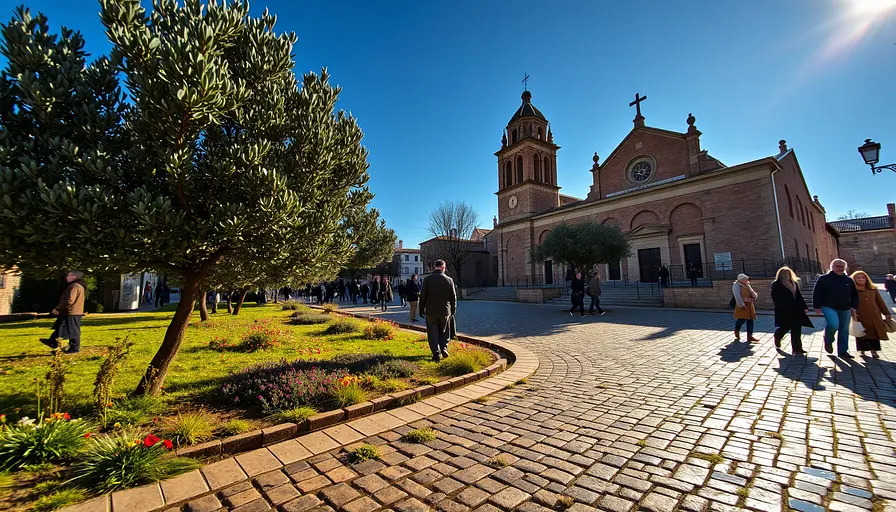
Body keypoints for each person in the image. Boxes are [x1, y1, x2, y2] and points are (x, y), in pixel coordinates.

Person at [813, 259, 859, 358]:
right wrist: (816, 306)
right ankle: (828, 340)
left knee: (844, 329)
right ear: (832, 267)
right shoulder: (824, 278)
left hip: (845, 308)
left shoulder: (848, 280)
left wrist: (854, 306)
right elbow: (817, 292)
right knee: (833, 324)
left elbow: (855, 295)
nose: (840, 268)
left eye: (842, 267)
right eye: (837, 266)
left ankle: (843, 351)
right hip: (828, 306)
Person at [40, 271, 88, 354]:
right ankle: (53, 341)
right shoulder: (78, 286)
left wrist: (58, 309)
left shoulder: (75, 286)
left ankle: (74, 348)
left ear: (74, 277)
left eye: (69, 276)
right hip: (72, 312)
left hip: (72, 312)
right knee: (61, 326)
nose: (67, 277)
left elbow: (69, 300)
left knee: (73, 330)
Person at [419, 260, 456, 362]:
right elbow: (453, 297)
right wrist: (453, 310)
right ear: (443, 267)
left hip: (431, 311)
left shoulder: (427, 280)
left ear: (434, 267)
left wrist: (421, 309)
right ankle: (444, 348)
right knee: (445, 331)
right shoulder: (449, 280)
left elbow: (423, 296)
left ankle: (436, 354)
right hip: (444, 311)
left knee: (432, 333)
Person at [770, 266, 811, 355]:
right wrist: (782, 307)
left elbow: (798, 296)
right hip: (784, 309)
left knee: (797, 328)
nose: (788, 276)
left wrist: (804, 307)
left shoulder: (794, 283)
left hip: (796, 309)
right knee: (785, 326)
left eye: (789, 274)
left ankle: (797, 348)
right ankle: (778, 335)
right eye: (786, 274)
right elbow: (775, 297)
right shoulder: (776, 284)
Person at [851, 271, 891, 359]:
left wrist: (886, 313)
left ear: (867, 279)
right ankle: (862, 350)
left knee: (874, 333)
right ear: (854, 279)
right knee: (862, 333)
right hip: (860, 315)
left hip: (874, 316)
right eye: (858, 278)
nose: (861, 279)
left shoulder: (873, 289)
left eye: (863, 277)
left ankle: (874, 350)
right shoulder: (853, 291)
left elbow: (880, 302)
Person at [732, 273, 759, 342]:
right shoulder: (736, 285)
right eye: (745, 279)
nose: (747, 280)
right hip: (742, 305)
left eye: (747, 279)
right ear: (741, 280)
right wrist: (742, 304)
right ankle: (737, 330)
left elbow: (753, 294)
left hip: (749, 305)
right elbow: (737, 296)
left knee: (750, 320)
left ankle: (750, 335)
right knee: (741, 319)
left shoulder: (747, 285)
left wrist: (753, 297)